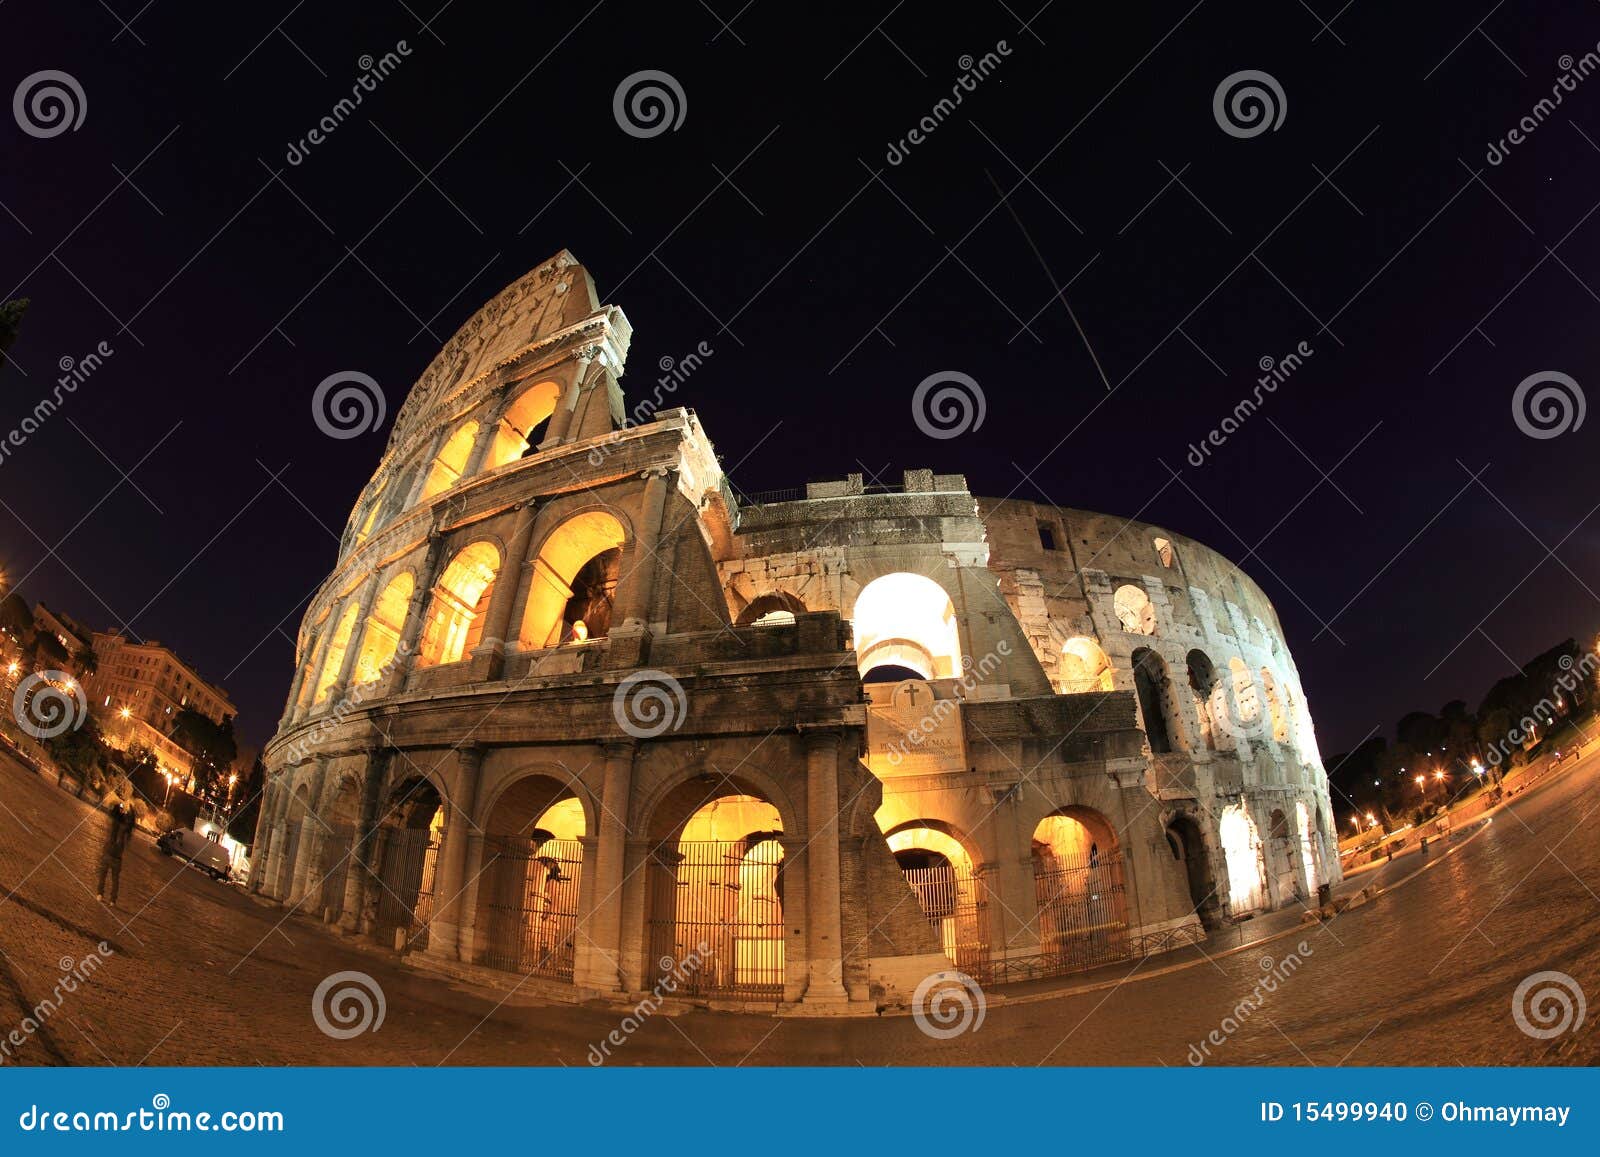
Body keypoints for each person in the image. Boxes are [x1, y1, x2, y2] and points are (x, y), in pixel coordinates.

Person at [96, 791, 137, 907]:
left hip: (108, 852)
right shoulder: (126, 829)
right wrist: (131, 810)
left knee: (103, 874)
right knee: (115, 880)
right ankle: (113, 900)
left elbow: (113, 811)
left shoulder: (115, 823)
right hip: (117, 857)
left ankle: (100, 894)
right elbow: (131, 822)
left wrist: (120, 804)